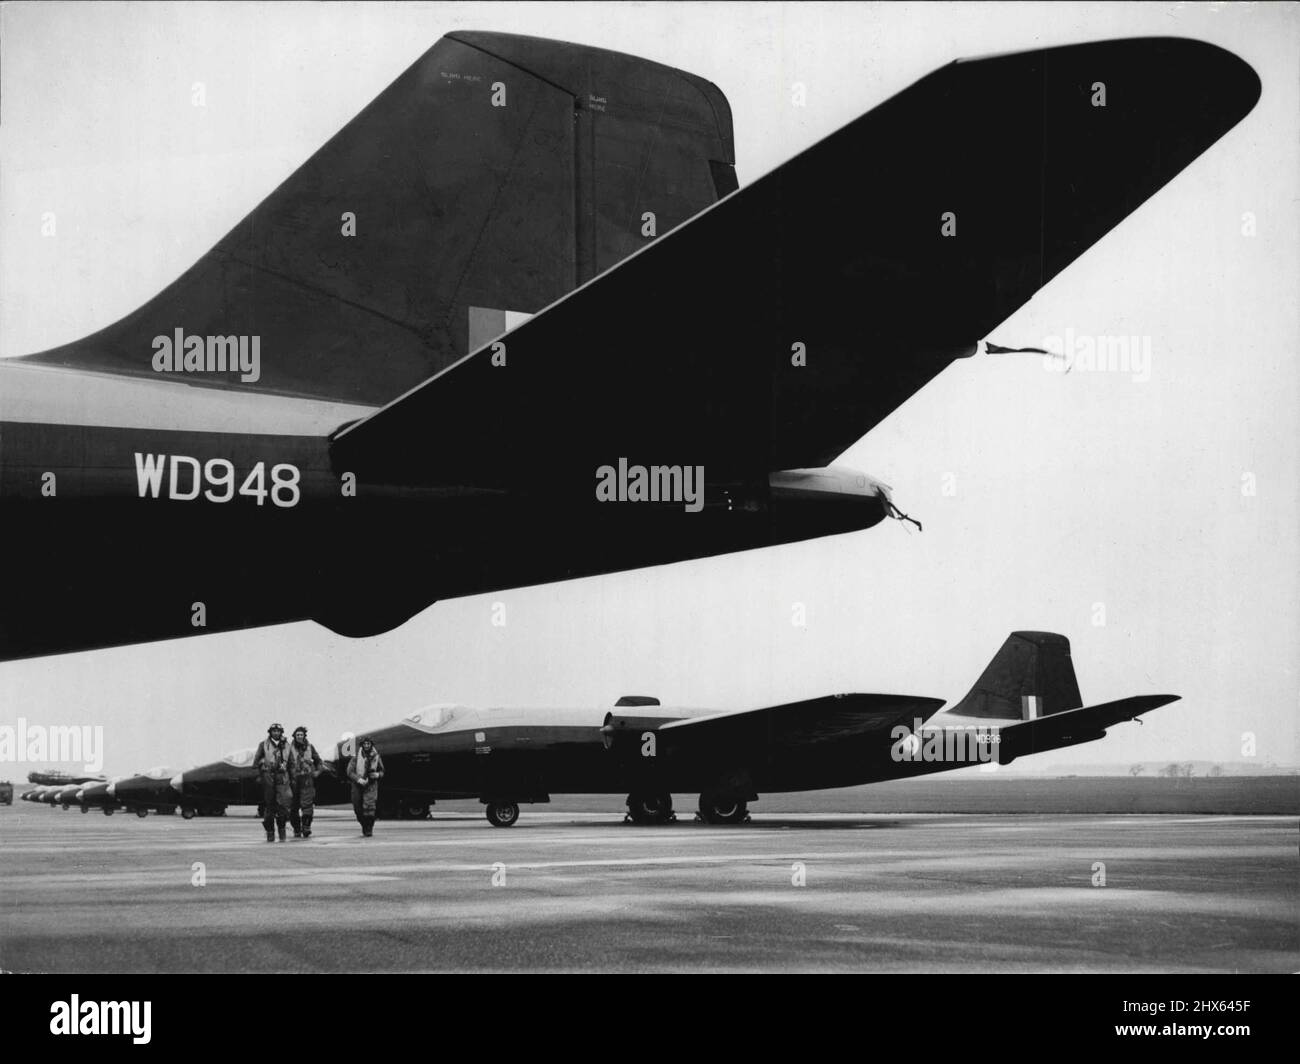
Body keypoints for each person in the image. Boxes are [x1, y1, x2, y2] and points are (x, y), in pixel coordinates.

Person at [252, 722, 292, 842]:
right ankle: (270, 832)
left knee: (283, 805)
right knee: (269, 805)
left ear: (281, 733)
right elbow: (256, 762)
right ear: (270, 732)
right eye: (274, 731)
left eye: (278, 731)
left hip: (282, 776)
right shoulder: (263, 745)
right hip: (268, 776)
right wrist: (261, 767)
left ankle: (282, 831)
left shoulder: (286, 745)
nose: (276, 733)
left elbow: (291, 761)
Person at [287, 726, 323, 838]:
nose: (299, 737)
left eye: (301, 735)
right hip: (293, 780)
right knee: (293, 807)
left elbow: (318, 761)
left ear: (304, 736)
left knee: (307, 805)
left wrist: (318, 772)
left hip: (307, 779)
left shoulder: (310, 747)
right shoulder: (287, 748)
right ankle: (297, 828)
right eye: (297, 735)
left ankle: (306, 827)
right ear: (294, 736)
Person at [346, 737, 384, 838]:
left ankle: (369, 829)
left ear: (371, 745)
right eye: (365, 744)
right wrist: (358, 779)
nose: (367, 746)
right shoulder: (355, 757)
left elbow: (382, 771)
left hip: (371, 784)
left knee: (369, 807)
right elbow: (349, 771)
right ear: (362, 745)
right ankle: (364, 825)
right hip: (357, 784)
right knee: (358, 809)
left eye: (368, 744)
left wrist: (378, 775)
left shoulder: (376, 756)